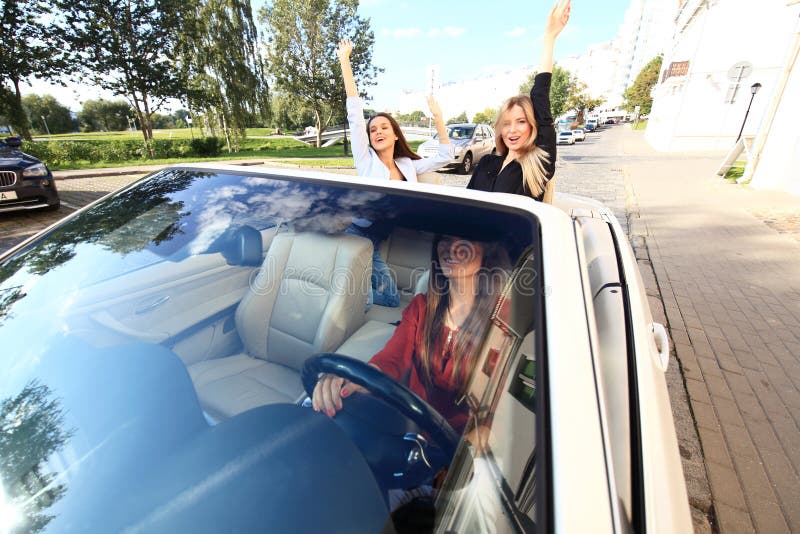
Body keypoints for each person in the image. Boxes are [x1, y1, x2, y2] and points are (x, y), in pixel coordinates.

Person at [311, 234, 510, 436]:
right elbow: (392, 359)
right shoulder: (422, 306)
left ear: (488, 249)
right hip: (408, 431)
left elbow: (503, 411)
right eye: (446, 238)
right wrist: (349, 378)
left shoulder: (505, 321)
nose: (453, 248)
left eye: (465, 239)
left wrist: (470, 451)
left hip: (460, 451)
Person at [337, 38, 453, 307]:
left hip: (375, 241)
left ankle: (355, 297)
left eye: (383, 128)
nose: (377, 131)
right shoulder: (365, 160)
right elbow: (355, 114)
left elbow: (446, 156)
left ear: (395, 133)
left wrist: (438, 118)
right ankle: (352, 301)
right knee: (360, 301)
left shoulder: (407, 165)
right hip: (355, 236)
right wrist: (345, 61)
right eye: (373, 129)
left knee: (389, 300)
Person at [466, 0, 570, 201]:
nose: (512, 130)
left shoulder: (538, 165)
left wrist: (549, 38)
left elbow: (540, 96)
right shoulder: (487, 162)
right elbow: (464, 207)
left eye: (521, 122)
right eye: (506, 124)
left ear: (533, 125)